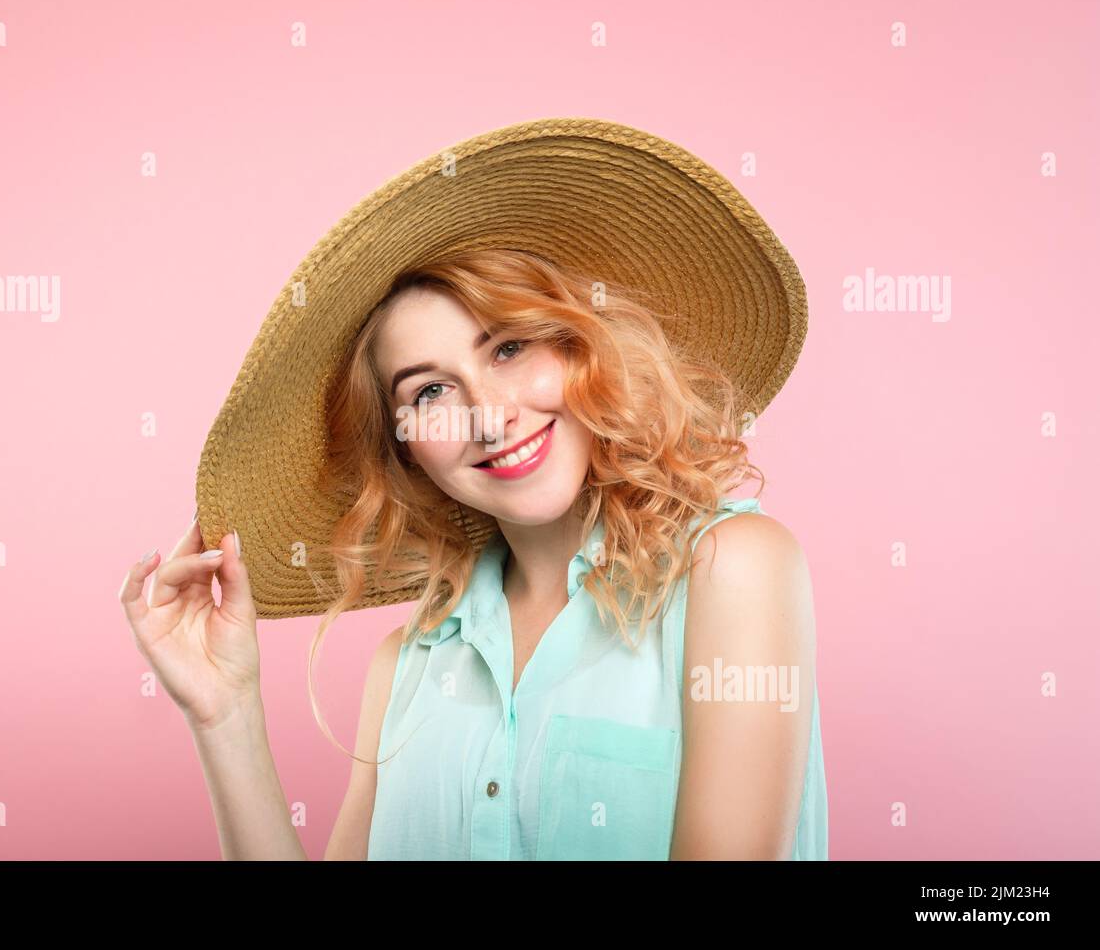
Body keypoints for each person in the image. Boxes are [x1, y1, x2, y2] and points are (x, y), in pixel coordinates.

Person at [119, 120, 827, 859]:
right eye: (430, 392)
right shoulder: (406, 669)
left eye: (510, 347)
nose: (489, 418)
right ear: (404, 449)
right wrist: (225, 711)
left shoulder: (732, 568)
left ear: (584, 348)